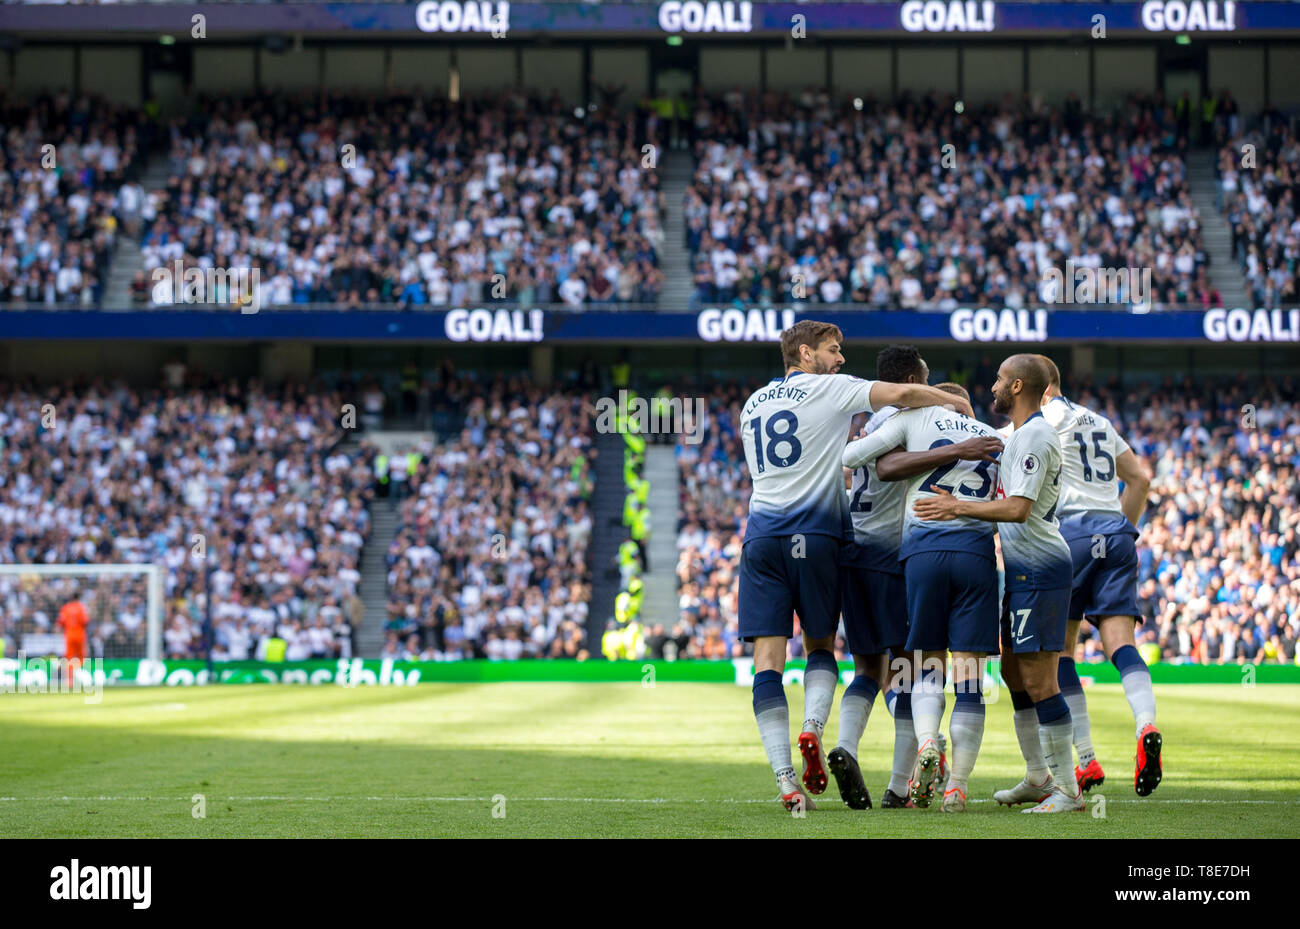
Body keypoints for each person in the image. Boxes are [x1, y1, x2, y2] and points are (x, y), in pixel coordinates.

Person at [739, 320, 974, 812]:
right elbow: (900, 399)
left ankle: (786, 778)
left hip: (763, 537)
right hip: (851, 546)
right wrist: (953, 404)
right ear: (805, 353)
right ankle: (860, 757)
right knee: (871, 657)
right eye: (833, 349)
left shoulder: (752, 404)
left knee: (785, 661)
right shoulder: (850, 397)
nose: (842, 358)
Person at [829, 345, 1002, 811]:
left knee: (869, 666)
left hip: (854, 551)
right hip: (900, 555)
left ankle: (846, 743)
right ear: (912, 381)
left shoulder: (873, 422)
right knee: (914, 666)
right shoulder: (923, 420)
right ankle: (905, 784)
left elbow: (850, 462)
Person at [913, 354, 1080, 813]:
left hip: (1041, 569)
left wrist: (957, 508)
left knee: (1040, 679)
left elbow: (1019, 508)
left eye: (1002, 379)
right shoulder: (1021, 435)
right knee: (1012, 672)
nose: (994, 386)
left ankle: (1067, 789)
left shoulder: (1035, 436)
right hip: (1025, 571)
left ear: (1020, 386)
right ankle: (1037, 776)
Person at [1036, 356, 1162, 796]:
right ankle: (1146, 725)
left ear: (1038, 386)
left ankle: (1086, 760)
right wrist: (1119, 531)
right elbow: (1140, 481)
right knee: (1122, 646)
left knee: (1061, 654)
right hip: (1115, 529)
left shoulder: (1042, 419)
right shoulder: (1100, 421)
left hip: (1070, 533)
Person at [57, 595, 90, 688]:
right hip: (80, 635)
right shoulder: (81, 607)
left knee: (69, 658)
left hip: (69, 635)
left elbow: (60, 622)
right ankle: (80, 676)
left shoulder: (65, 608)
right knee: (81, 657)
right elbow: (85, 621)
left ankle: (70, 680)